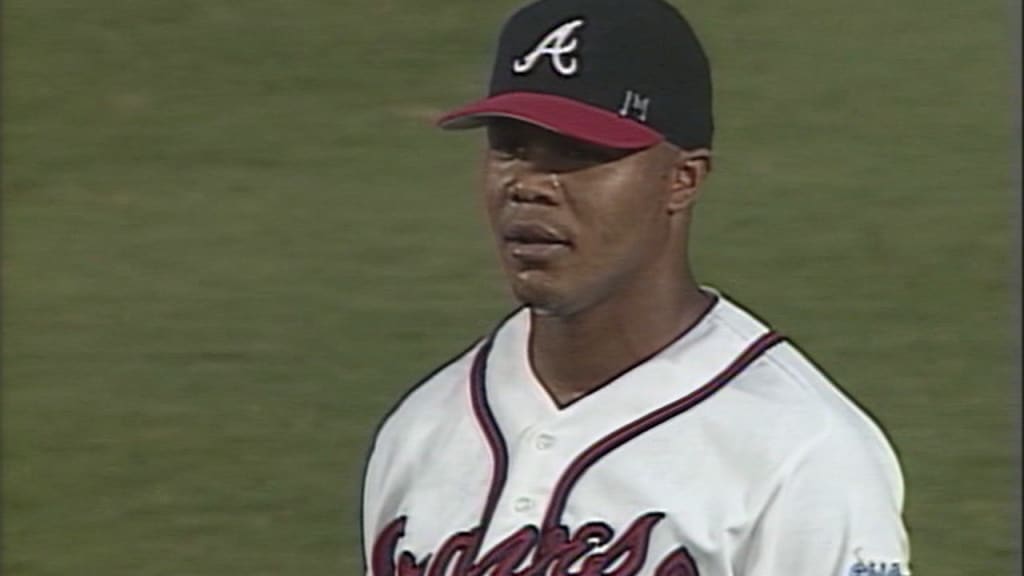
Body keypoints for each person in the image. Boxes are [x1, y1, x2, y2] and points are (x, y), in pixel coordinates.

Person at [360, 0, 911, 573]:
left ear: (682, 179)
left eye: (578, 154)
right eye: (511, 148)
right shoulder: (421, 430)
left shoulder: (803, 454)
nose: (529, 186)